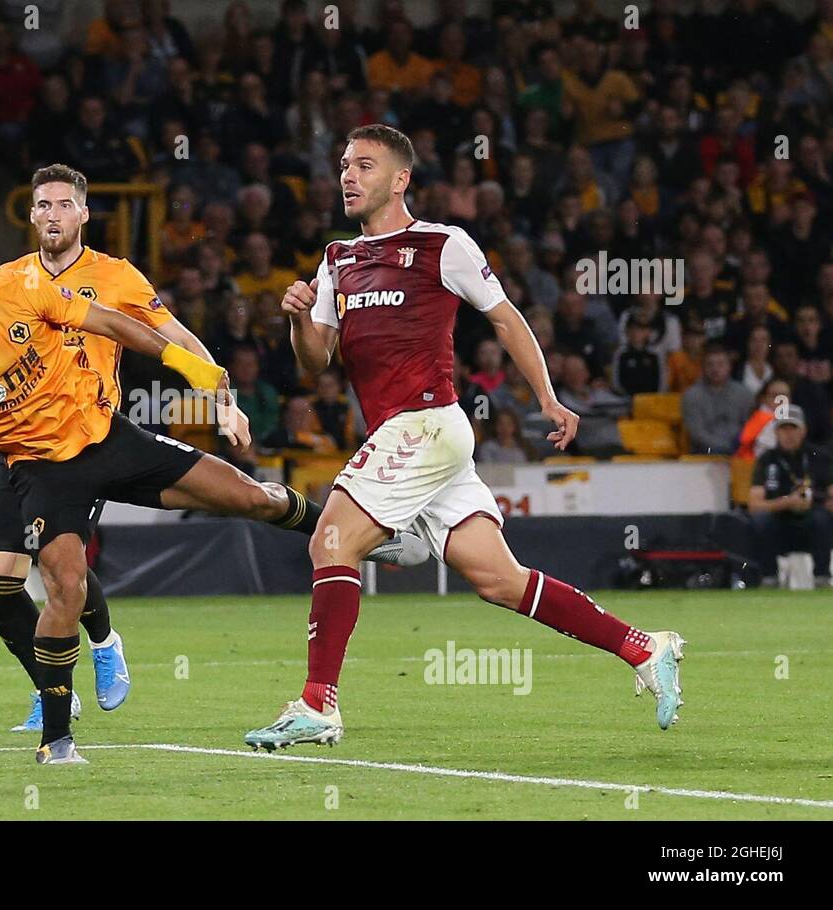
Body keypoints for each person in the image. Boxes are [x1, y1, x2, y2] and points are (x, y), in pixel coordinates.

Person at [0, 232, 417, 765]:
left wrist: (188, 365)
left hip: (110, 439)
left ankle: (362, 539)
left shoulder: (16, 287)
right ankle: (56, 740)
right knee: (64, 586)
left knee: (252, 497)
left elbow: (110, 322)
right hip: (44, 474)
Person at [245, 125, 687, 753]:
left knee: (331, 539)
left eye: (364, 166)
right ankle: (644, 646)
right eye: (344, 165)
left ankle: (319, 705)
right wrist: (297, 319)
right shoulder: (336, 259)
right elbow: (315, 362)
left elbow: (505, 317)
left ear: (400, 179)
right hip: (412, 439)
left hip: (426, 422)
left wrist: (547, 397)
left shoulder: (442, 245)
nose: (347, 175)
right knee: (500, 581)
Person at [0, 164, 251, 733]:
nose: (52, 214)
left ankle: (102, 643)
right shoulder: (7, 280)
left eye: (64, 204)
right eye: (42, 204)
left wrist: (221, 393)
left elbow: (176, 337)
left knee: (56, 566)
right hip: (17, 440)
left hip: (85, 440)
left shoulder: (116, 277)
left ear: (84, 214)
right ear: (32, 214)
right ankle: (51, 690)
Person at [748, 406, 832, 585]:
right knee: (762, 520)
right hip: (779, 521)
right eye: (783, 428)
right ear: (776, 432)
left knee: (822, 519)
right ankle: (769, 577)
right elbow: (754, 505)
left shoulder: (819, 456)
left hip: (813, 519)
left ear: (803, 430)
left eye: (793, 428)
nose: (788, 434)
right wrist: (787, 502)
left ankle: (822, 576)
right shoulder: (766, 460)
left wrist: (820, 502)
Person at [682, 344, 753, 455]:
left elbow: (750, 426)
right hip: (704, 454)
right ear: (703, 367)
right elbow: (696, 433)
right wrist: (726, 448)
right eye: (710, 364)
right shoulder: (691, 395)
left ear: (729, 366)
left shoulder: (744, 393)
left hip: (739, 452)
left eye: (720, 364)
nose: (715, 369)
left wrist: (740, 445)